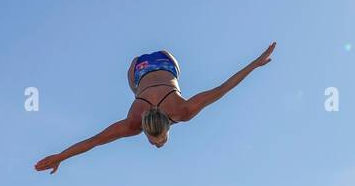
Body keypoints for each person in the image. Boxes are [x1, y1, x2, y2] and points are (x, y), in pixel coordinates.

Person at [34, 43, 276, 172]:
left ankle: (143, 87)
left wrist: (255, 64)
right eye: (159, 142)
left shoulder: (180, 112)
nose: (158, 144)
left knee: (144, 89)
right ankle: (140, 87)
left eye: (155, 142)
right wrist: (60, 157)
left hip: (166, 60)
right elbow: (94, 141)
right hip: (137, 68)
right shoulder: (139, 121)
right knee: (136, 90)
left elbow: (222, 90)